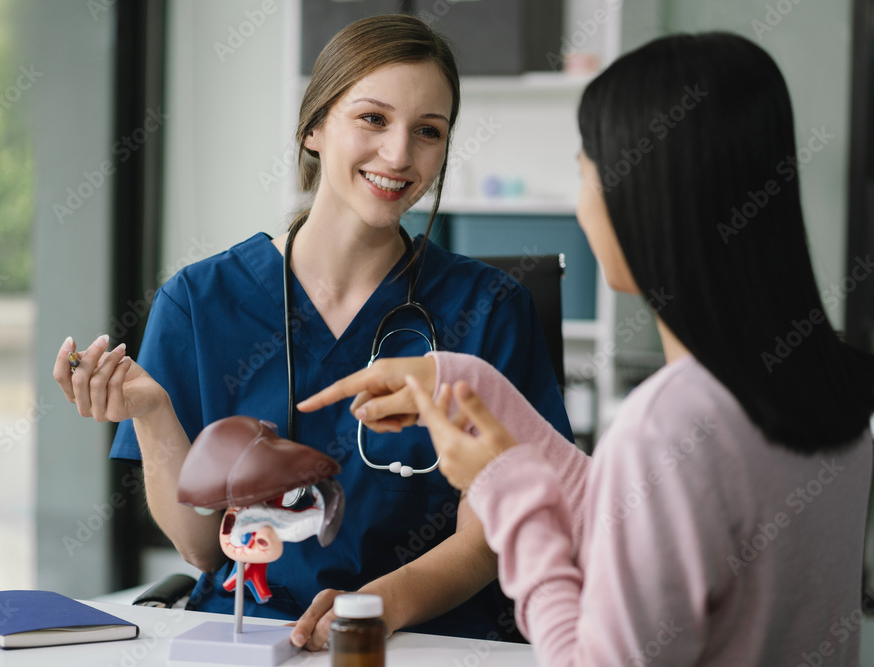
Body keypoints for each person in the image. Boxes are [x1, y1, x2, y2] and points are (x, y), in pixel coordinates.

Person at [299, 32, 874, 664]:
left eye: (586, 176)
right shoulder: (830, 391)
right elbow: (632, 507)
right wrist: (463, 381)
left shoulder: (667, 422)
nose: (580, 207)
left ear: (645, 202)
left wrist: (508, 493)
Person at [51, 14, 572, 650]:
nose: (400, 155)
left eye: (428, 132)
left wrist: (379, 605)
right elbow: (202, 550)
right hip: (251, 635)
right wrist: (155, 413)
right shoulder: (197, 302)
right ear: (314, 127)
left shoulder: (490, 308)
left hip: (427, 642)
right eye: (373, 119)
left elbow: (490, 534)